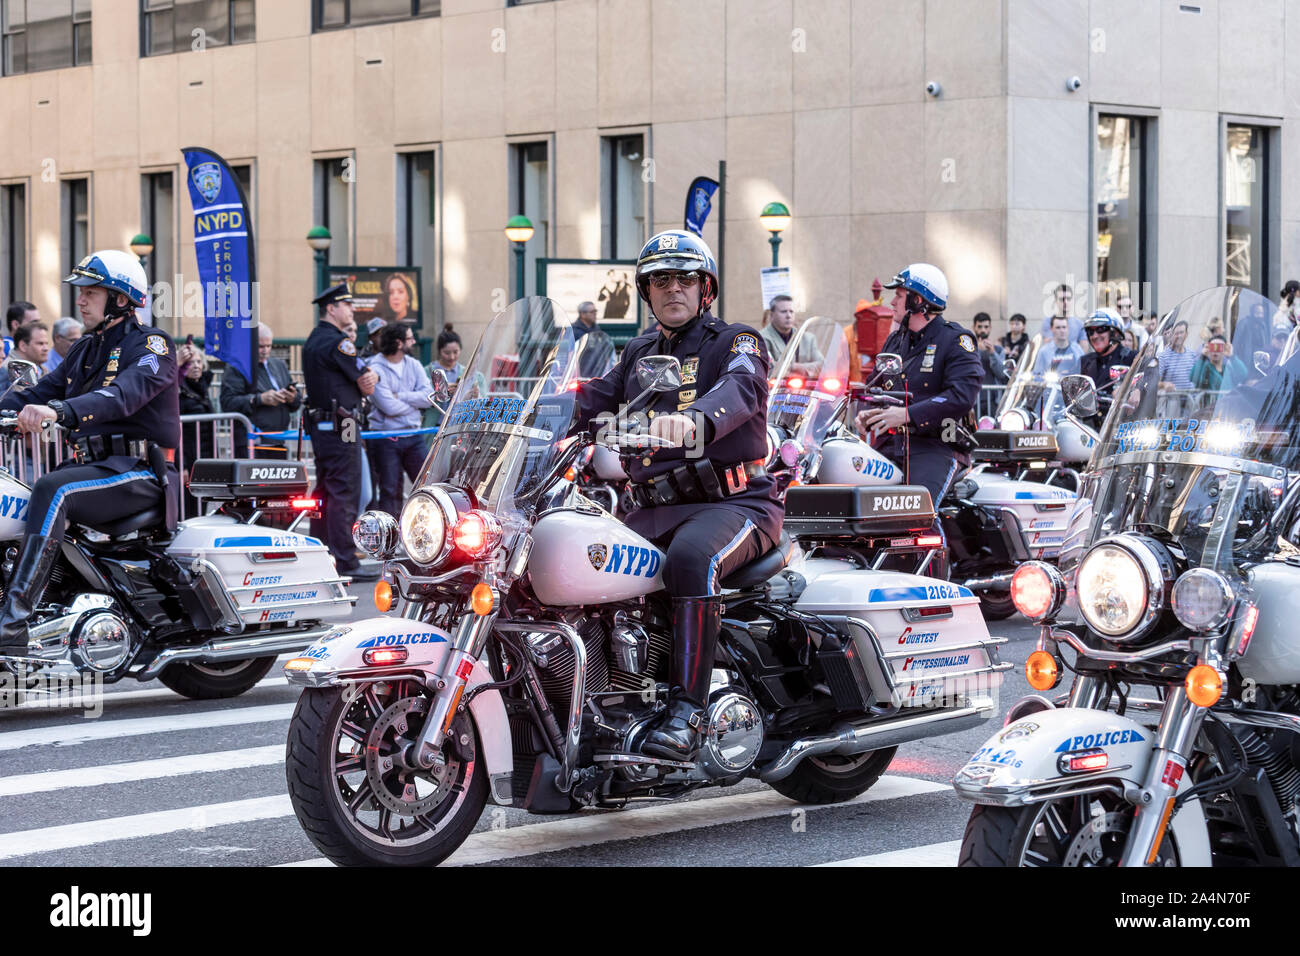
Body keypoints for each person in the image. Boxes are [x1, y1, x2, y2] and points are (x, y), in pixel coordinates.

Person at [574, 230, 781, 761]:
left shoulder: (736, 342)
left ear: (705, 288)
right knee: (583, 560)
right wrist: (523, 415)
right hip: (656, 507)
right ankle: (602, 700)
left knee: (692, 560)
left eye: (684, 278)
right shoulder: (641, 350)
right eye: (660, 279)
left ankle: (688, 711)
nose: (672, 289)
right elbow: (593, 398)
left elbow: (738, 392)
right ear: (646, 291)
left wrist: (688, 424)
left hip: (734, 503)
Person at [0, 251, 179, 656]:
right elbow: (34, 395)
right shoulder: (85, 351)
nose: (80, 300)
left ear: (120, 298)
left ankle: (13, 619)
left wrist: (61, 410)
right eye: (80, 292)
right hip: (92, 468)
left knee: (53, 489)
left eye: (91, 292)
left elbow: (124, 395)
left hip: (138, 471)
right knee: (21, 499)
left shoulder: (152, 344)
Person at [853, 262, 982, 581]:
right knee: (855, 496)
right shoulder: (896, 342)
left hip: (938, 445)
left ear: (919, 302)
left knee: (918, 508)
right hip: (896, 442)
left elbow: (961, 395)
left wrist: (908, 414)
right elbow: (879, 385)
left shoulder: (956, 340)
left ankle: (937, 588)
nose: (893, 302)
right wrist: (870, 409)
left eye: (899, 295)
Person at [302, 282, 379, 581]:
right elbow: (366, 381)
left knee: (324, 491)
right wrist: (370, 376)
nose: (352, 310)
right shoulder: (338, 343)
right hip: (343, 425)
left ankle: (319, 552)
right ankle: (346, 560)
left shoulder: (314, 340)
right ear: (332, 308)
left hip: (323, 425)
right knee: (344, 492)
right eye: (347, 305)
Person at [366, 324, 434, 519]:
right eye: (410, 338)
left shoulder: (413, 364)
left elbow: (429, 396)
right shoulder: (375, 368)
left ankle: (426, 530)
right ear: (398, 343)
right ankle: (390, 539)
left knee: (426, 485)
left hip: (414, 436)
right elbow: (388, 407)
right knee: (390, 489)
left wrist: (400, 396)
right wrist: (415, 404)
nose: (413, 341)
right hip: (386, 438)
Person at [219, 323, 302, 458]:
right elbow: (228, 402)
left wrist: (293, 397)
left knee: (278, 479)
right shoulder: (236, 367)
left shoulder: (279, 365)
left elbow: (296, 402)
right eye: (260, 346)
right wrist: (260, 399)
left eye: (269, 346)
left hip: (278, 438)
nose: (265, 351)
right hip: (252, 440)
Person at [176, 342, 214, 516]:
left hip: (205, 458)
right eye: (191, 362)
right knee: (187, 507)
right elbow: (176, 433)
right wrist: (181, 465)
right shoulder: (178, 391)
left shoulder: (203, 388)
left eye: (199, 362)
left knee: (202, 503)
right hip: (188, 458)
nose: (196, 366)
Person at [1079, 309, 1137, 399]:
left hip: (1119, 412)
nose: (1094, 336)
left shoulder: (1131, 357)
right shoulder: (1086, 361)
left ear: (1115, 332)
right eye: (1091, 331)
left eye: (1101, 329)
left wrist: (1136, 390)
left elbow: (1150, 376)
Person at [759, 294, 822, 375]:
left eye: (791, 311)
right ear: (771, 315)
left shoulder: (808, 338)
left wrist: (794, 367)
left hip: (807, 386)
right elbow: (769, 369)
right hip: (776, 387)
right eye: (783, 312)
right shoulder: (762, 338)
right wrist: (805, 369)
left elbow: (822, 365)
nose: (788, 316)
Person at [424, 327, 464, 437]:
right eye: (447, 353)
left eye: (455, 352)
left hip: (458, 427)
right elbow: (422, 398)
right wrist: (440, 392)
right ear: (439, 351)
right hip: (434, 427)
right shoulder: (427, 372)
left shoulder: (467, 372)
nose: (452, 357)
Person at [574, 300, 615, 378]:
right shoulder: (574, 331)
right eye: (592, 312)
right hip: (581, 374)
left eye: (595, 311)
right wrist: (577, 377)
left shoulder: (596, 329)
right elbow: (571, 355)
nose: (595, 314)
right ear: (582, 314)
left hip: (597, 373)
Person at [1157, 319, 1196, 391]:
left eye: (1181, 332)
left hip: (1190, 400)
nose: (1179, 336)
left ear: (1186, 334)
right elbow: (1155, 382)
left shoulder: (1192, 355)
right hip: (1172, 399)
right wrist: (1164, 385)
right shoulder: (1164, 356)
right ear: (1172, 335)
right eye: (1176, 333)